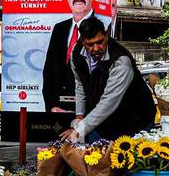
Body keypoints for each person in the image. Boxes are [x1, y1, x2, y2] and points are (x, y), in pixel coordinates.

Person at [59, 16, 157, 144]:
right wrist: (79, 116)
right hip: (101, 123)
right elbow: (80, 84)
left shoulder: (121, 62)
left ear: (106, 36)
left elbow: (108, 102)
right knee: (95, 159)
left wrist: (79, 130)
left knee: (130, 161)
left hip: (136, 121)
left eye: (100, 42)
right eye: (90, 44)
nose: (95, 48)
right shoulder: (76, 54)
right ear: (83, 41)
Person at [43, 0, 98, 112]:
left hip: (87, 117)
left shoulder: (101, 30)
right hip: (57, 113)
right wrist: (52, 107)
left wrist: (82, 113)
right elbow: (48, 72)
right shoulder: (59, 29)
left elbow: (101, 81)